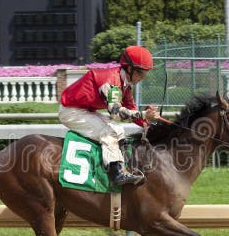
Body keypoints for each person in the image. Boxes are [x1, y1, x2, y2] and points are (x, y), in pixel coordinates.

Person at [59, 45, 160, 186]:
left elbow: (131, 109)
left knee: (119, 130)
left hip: (85, 110)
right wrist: (144, 114)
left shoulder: (125, 84)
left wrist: (149, 124)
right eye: (141, 73)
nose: (142, 78)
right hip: (71, 111)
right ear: (130, 69)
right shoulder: (111, 82)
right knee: (109, 132)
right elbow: (116, 113)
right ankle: (117, 174)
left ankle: (121, 163)